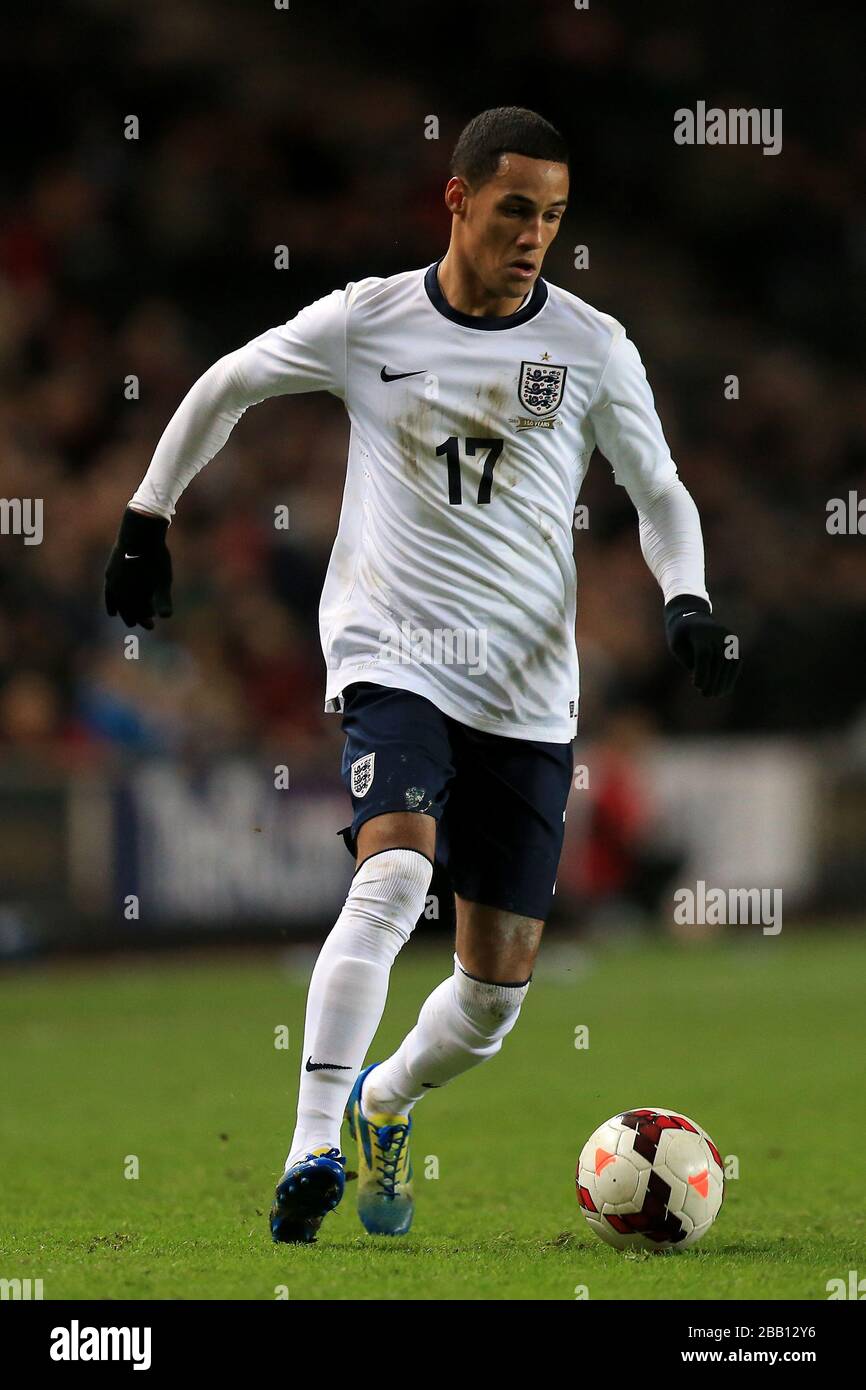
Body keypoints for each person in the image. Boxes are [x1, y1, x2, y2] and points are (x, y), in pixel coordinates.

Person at [104, 106, 740, 1244]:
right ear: (455, 200)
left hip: (528, 691)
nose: (534, 234)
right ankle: (308, 1143)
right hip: (392, 656)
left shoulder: (589, 345)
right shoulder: (367, 320)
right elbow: (227, 382)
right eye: (513, 210)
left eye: (551, 215)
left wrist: (684, 596)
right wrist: (149, 516)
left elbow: (661, 492)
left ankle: (381, 1099)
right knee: (393, 879)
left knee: (493, 996)